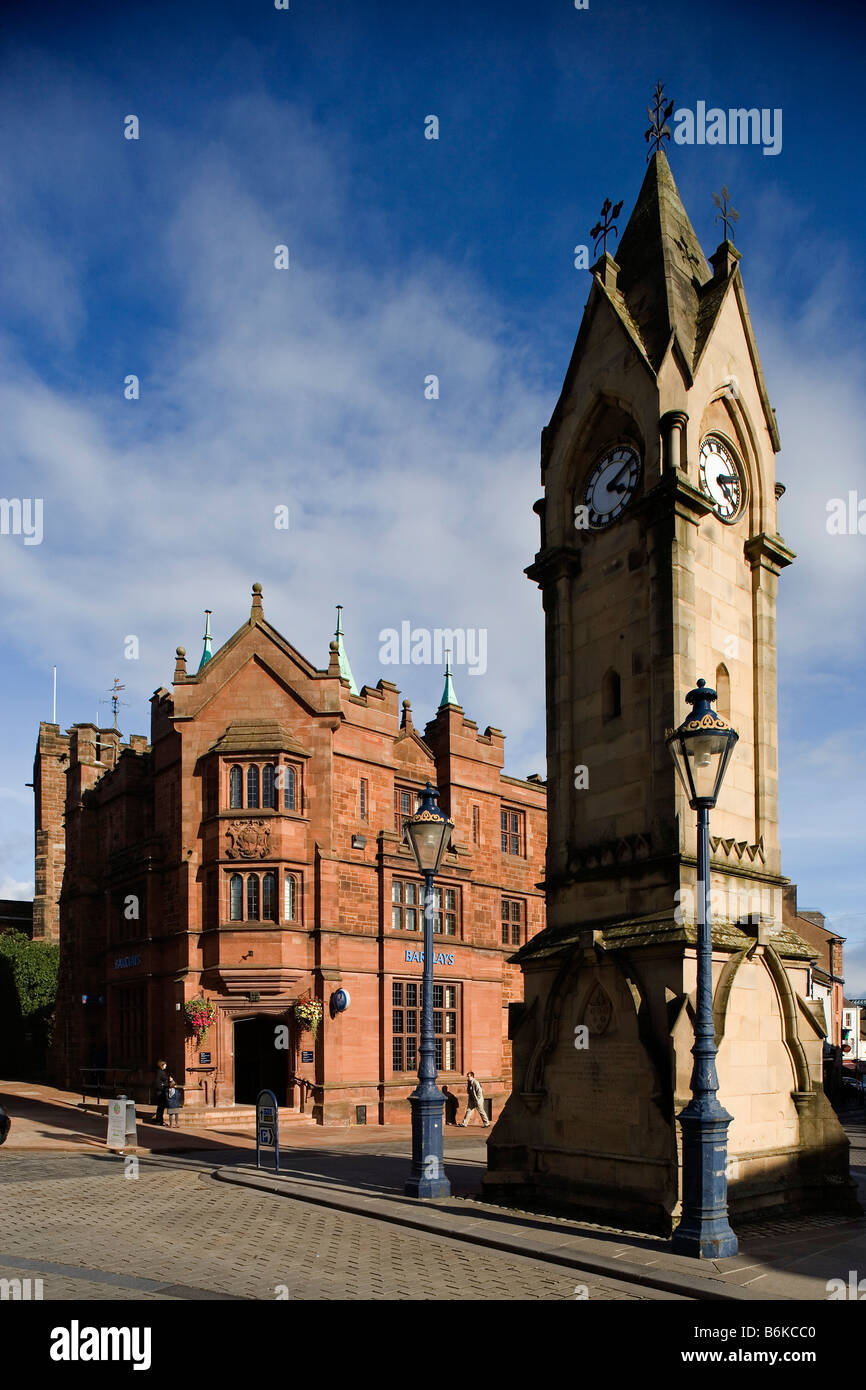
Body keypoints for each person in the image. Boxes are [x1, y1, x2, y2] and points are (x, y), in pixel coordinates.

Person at [153, 1060, 170, 1126]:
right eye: (165, 1064)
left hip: (162, 1092)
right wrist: (164, 1086)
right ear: (162, 1065)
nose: (166, 1065)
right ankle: (159, 1121)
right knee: (160, 1107)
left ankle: (160, 1120)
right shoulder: (159, 1072)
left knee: (161, 1107)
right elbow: (158, 1083)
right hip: (160, 1093)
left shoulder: (162, 1072)